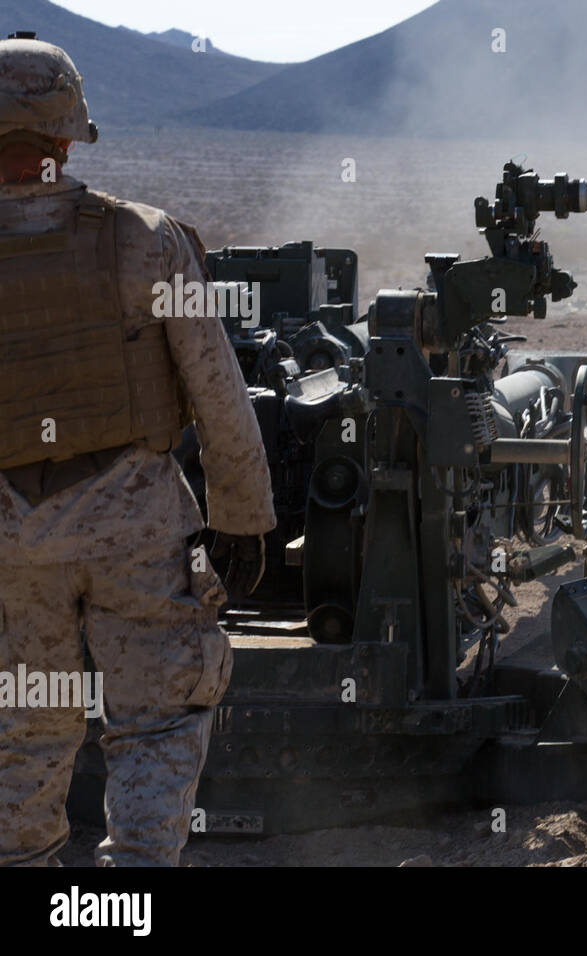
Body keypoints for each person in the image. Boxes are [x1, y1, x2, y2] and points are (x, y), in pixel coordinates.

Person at [0, 33, 276, 865]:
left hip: (14, 541)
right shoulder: (144, 239)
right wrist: (244, 518)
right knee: (154, 724)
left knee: (26, 735)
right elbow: (215, 387)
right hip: (136, 529)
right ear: (70, 130)